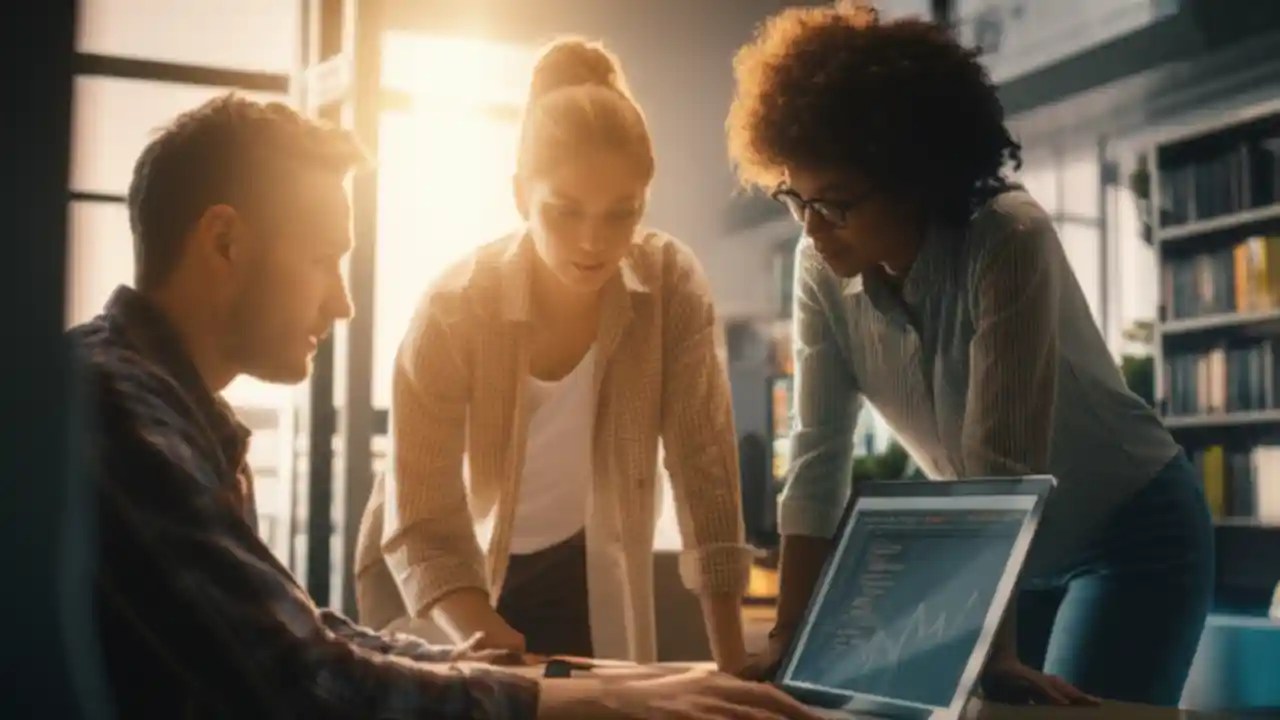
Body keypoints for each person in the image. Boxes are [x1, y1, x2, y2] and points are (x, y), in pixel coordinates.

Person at [69, 92, 821, 720]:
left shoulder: (169, 411)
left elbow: (312, 637)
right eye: (325, 258)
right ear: (225, 241)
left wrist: (618, 684)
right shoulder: (119, 414)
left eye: (621, 214)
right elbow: (308, 681)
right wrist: (581, 698)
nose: (343, 301)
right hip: (448, 575)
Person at [724, 4, 1213, 708]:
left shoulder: (1006, 239)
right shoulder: (817, 265)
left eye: (835, 205)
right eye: (794, 197)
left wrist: (995, 649)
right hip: (1005, 553)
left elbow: (1001, 462)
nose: (812, 226)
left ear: (913, 177)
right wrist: (786, 637)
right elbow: (817, 454)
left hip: (1131, 533)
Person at [354, 37, 753, 671]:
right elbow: (422, 516)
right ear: (520, 195)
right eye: (565, 212)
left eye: (621, 214)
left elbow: (705, 469)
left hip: (575, 561)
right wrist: (483, 637)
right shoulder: (453, 309)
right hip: (439, 577)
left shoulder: (669, 285)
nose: (594, 242)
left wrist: (732, 663)